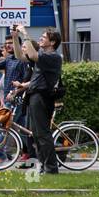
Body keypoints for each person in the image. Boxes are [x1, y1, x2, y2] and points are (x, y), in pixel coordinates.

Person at [14, 24, 65, 174]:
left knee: (42, 134)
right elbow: (20, 56)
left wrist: (24, 33)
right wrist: (15, 37)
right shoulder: (42, 55)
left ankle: (51, 168)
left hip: (42, 97)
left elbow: (33, 55)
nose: (40, 39)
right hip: (34, 96)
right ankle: (43, 165)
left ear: (53, 42)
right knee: (36, 134)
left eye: (44, 37)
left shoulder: (53, 57)